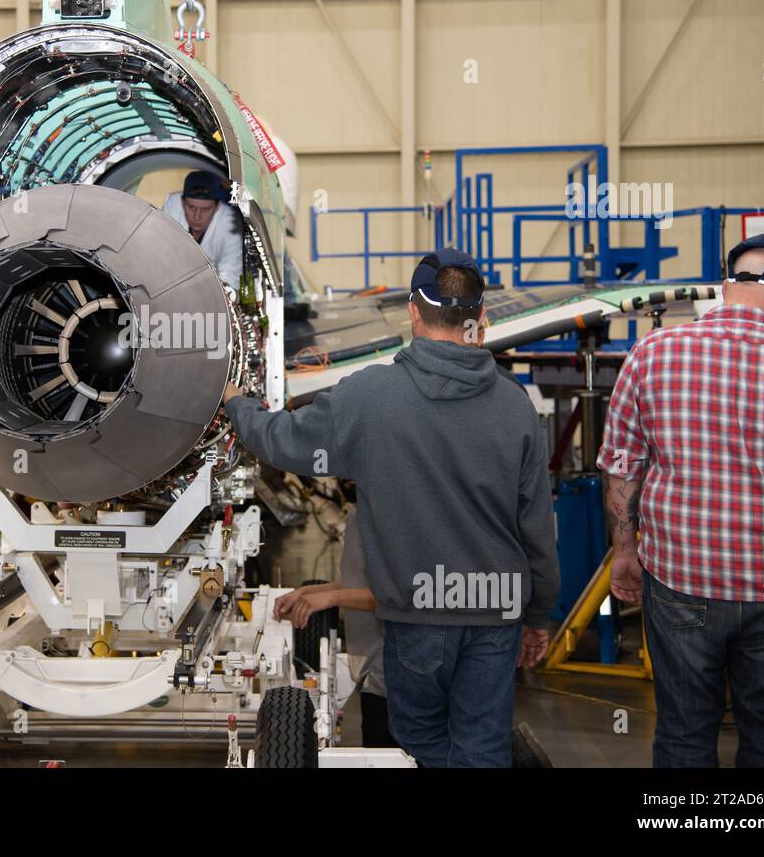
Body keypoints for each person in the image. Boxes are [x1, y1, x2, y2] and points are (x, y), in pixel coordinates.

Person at [223, 249, 558, 767]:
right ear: (480, 318)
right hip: (497, 611)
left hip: (418, 613)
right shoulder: (515, 406)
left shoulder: (369, 397)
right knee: (482, 745)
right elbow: (538, 529)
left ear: (413, 312)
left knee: (419, 737)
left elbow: (281, 442)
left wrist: (238, 402)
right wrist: (538, 614)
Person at [600, 234, 764, 767]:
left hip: (681, 583)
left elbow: (622, 468)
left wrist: (625, 553)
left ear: (727, 287)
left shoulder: (651, 354)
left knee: (683, 736)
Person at [272, 511, 392, 746]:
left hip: (397, 677)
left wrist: (332, 598)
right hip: (374, 673)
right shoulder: (362, 515)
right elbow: (361, 584)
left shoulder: (394, 515)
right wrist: (307, 593)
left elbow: (399, 597)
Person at [161, 170, 244, 289]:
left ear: (217, 207)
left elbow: (231, 273)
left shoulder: (230, 220)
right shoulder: (172, 205)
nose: (197, 217)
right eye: (191, 207)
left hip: (211, 291)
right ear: (182, 202)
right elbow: (161, 253)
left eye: (205, 209)